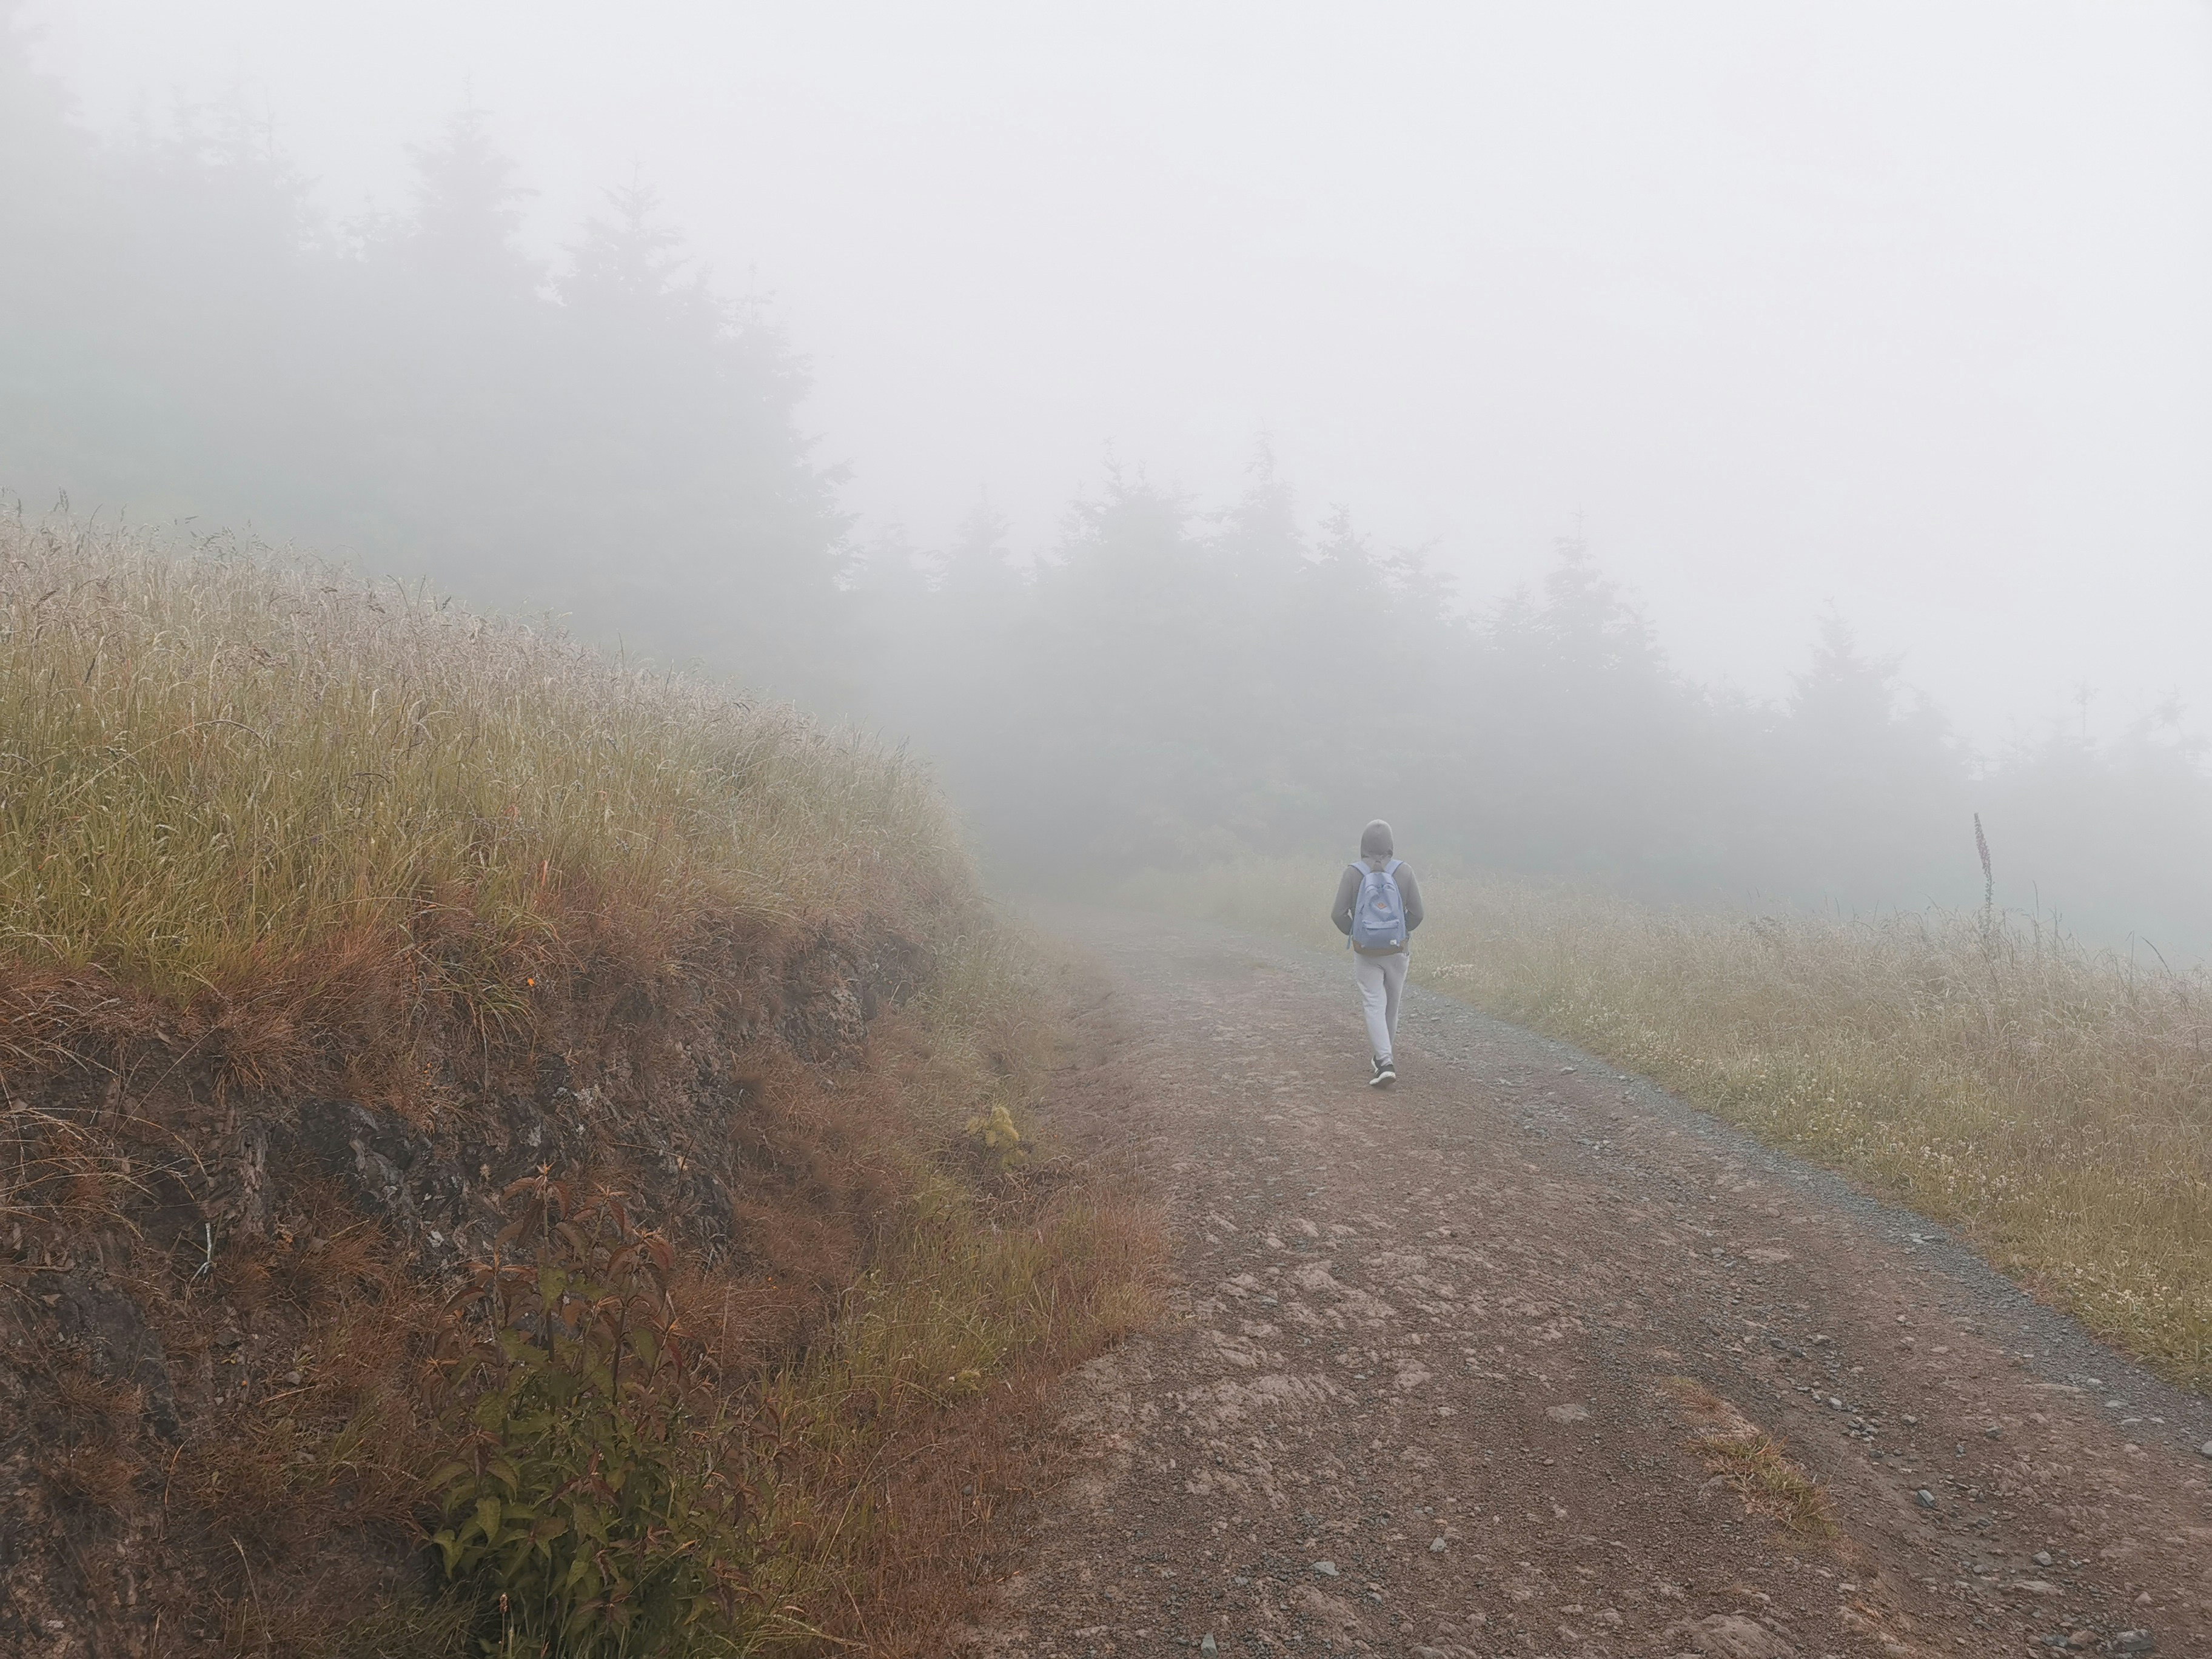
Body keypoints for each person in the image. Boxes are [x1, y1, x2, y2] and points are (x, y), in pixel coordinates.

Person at [1330, 819, 1424, 1087]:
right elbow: (1418, 913)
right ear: (1391, 845)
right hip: (1398, 950)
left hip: (1366, 953)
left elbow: (1337, 914)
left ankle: (1384, 1061)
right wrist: (1402, 934)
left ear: (1363, 845)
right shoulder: (1404, 872)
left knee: (1374, 1002)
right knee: (1391, 1007)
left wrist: (1357, 933)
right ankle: (1383, 1058)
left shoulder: (1353, 873)